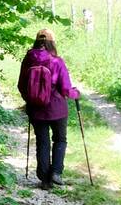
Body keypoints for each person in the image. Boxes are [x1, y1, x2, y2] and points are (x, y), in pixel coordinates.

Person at [18, 28, 80, 190]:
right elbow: (66, 89)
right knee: (60, 140)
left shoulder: (28, 60)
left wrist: (30, 100)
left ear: (36, 41)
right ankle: (56, 173)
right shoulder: (57, 61)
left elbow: (21, 85)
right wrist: (76, 93)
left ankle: (45, 180)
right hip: (57, 109)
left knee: (42, 142)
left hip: (36, 110)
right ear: (53, 42)